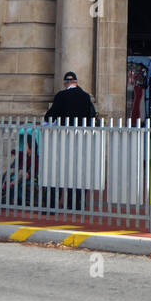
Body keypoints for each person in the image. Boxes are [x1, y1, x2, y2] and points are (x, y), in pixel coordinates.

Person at [44, 71, 97, 209]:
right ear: (76, 82)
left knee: (58, 171)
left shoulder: (61, 96)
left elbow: (49, 117)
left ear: (65, 83)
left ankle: (54, 202)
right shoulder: (86, 96)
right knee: (79, 171)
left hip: (63, 140)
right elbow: (91, 116)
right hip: (80, 141)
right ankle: (76, 203)